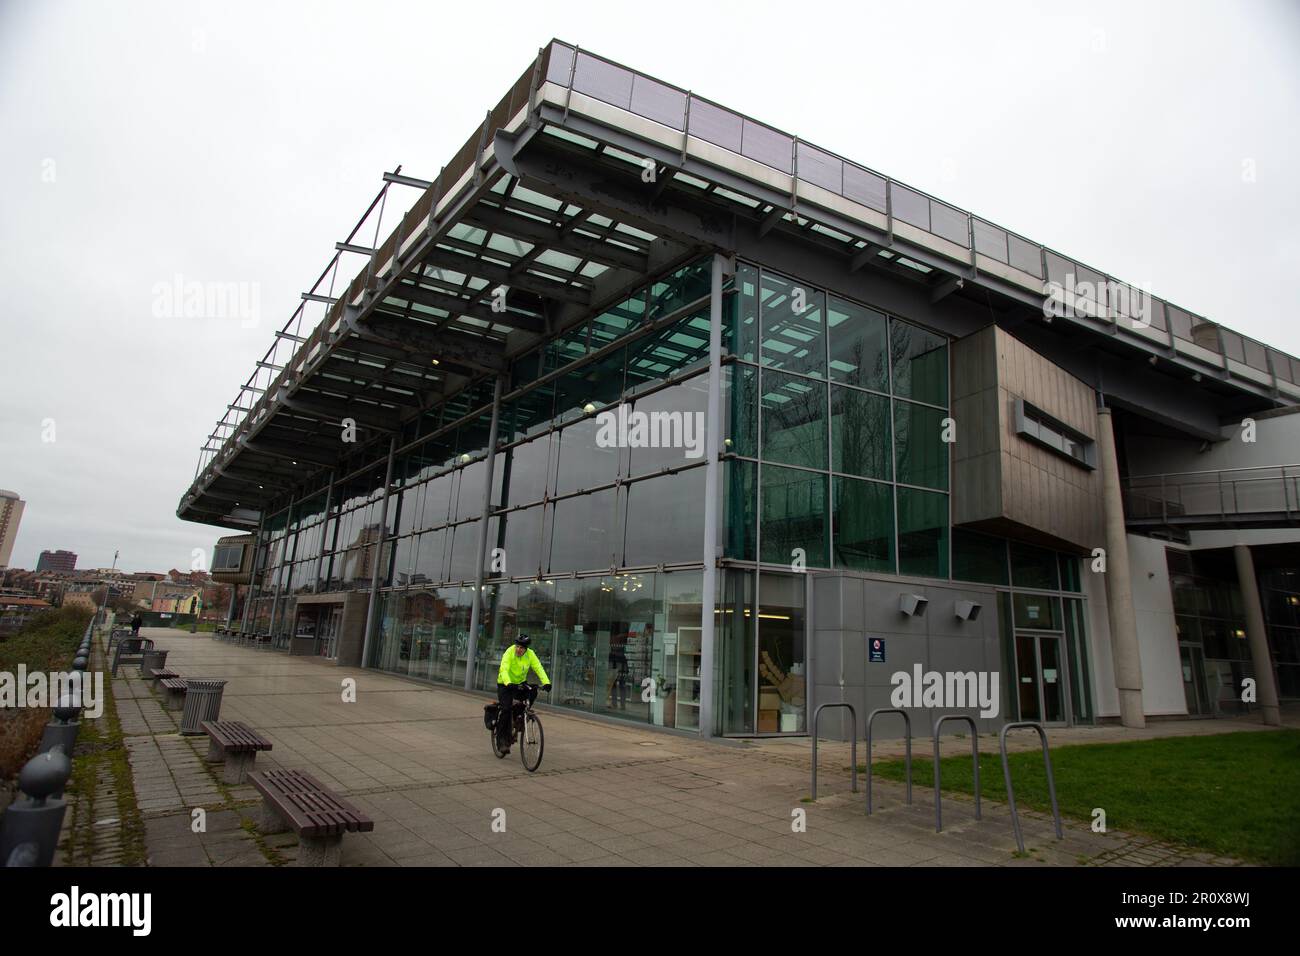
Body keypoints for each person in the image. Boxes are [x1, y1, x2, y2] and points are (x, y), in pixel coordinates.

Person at [495, 634, 550, 753]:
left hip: (520, 683)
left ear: (526, 649)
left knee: (533, 691)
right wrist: (508, 682)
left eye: (521, 648)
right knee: (506, 709)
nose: (518, 650)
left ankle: (520, 716)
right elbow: (504, 669)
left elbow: (538, 668)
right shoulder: (509, 652)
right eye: (517, 647)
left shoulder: (530, 654)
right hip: (505, 684)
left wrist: (546, 682)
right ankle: (501, 741)